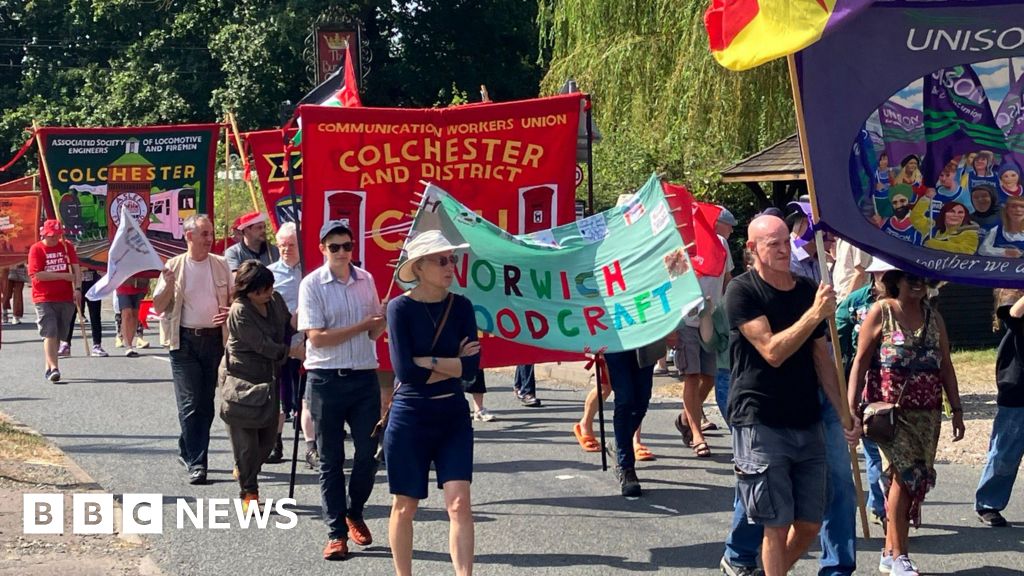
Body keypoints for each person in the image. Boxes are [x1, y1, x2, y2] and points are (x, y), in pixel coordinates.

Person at [724, 215, 854, 576]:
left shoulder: (805, 288)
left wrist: (844, 412)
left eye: (786, 241)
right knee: (775, 524)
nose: (784, 250)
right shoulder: (742, 291)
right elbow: (772, 351)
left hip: (806, 418)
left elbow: (822, 359)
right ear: (752, 249)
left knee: (810, 523)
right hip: (760, 418)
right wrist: (814, 314)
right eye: (773, 244)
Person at [849, 269, 965, 576]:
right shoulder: (882, 312)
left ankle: (889, 551)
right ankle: (901, 556)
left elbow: (946, 366)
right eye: (910, 278)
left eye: (922, 280)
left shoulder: (934, 318)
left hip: (927, 416)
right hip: (889, 415)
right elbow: (860, 360)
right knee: (904, 475)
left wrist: (957, 409)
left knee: (913, 480)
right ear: (895, 280)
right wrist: (851, 409)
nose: (917, 284)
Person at [386, 230, 478, 576]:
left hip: (453, 413)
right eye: (441, 260)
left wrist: (431, 361)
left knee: (459, 504)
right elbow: (405, 371)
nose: (450, 265)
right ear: (419, 267)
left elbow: (471, 369)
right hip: (411, 415)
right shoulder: (399, 308)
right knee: (406, 505)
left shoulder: (462, 306)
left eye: (452, 258)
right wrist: (450, 363)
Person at [298, 220, 386, 560]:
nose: (341, 252)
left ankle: (354, 510)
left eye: (346, 246)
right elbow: (316, 337)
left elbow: (373, 335)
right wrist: (364, 325)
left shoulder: (367, 281)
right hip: (325, 378)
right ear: (322, 249)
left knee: (368, 454)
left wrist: (382, 320)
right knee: (330, 459)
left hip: (363, 375)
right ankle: (336, 533)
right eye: (333, 247)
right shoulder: (312, 284)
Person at [152, 215, 232, 485]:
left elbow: (235, 301)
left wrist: (231, 312)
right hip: (183, 342)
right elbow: (160, 306)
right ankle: (199, 464)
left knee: (205, 404)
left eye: (210, 233)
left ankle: (188, 445)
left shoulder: (221, 265)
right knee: (190, 404)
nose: (209, 238)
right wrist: (169, 283)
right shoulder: (173, 266)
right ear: (189, 237)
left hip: (214, 341)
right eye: (204, 234)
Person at [219, 261, 291, 511]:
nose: (267, 294)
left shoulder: (276, 300)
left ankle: (245, 469)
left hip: (269, 379)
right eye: (261, 290)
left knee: (268, 440)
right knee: (246, 441)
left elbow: (288, 324)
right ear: (247, 291)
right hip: (242, 380)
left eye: (269, 288)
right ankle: (249, 491)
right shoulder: (239, 310)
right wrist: (291, 352)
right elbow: (264, 346)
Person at [835, 257, 897, 528]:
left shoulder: (905, 301)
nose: (884, 277)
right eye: (880, 272)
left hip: (897, 386)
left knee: (896, 452)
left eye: (889, 272)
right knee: (873, 448)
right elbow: (837, 334)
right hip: (865, 385)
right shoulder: (855, 301)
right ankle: (883, 508)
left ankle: (892, 503)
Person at [974, 288, 1024, 528]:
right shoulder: (1012, 307)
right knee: (1005, 453)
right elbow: (1014, 313)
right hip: (1018, 393)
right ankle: (988, 503)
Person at [607, 341, 666, 497]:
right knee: (624, 399)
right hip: (615, 342)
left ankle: (620, 444)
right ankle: (626, 468)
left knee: (642, 400)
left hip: (645, 339)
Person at [267, 222, 304, 464]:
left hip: (307, 341)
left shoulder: (312, 271)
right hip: (279, 341)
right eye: (282, 245)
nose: (286, 249)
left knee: (306, 396)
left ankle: (312, 444)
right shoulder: (269, 273)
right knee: (278, 394)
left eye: (291, 245)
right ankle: (275, 442)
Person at [27, 219, 80, 382]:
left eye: (57, 235)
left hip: (65, 297)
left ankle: (49, 366)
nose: (55, 239)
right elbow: (37, 275)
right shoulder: (36, 249)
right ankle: (55, 368)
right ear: (44, 234)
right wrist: (63, 276)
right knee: (50, 331)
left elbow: (76, 268)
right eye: (51, 236)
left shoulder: (66, 246)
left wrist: (77, 288)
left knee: (58, 333)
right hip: (44, 297)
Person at [62, 267, 107, 356]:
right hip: (75, 283)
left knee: (95, 315)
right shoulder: (69, 253)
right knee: (71, 314)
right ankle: (66, 344)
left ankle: (97, 345)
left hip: (93, 282)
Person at [909, 199, 980, 254]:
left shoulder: (970, 233)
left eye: (960, 212)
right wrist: (926, 198)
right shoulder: (932, 228)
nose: (955, 215)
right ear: (944, 214)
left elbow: (967, 250)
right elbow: (916, 218)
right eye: (951, 211)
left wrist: (935, 244)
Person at [116, 272, 151, 357]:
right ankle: (128, 346)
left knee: (135, 315)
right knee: (127, 313)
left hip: (141, 283)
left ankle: (130, 344)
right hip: (123, 282)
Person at [832, 238, 871, 303]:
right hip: (841, 299)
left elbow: (860, 273)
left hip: (854, 302)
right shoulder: (842, 238)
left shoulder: (857, 237)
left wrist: (846, 302)